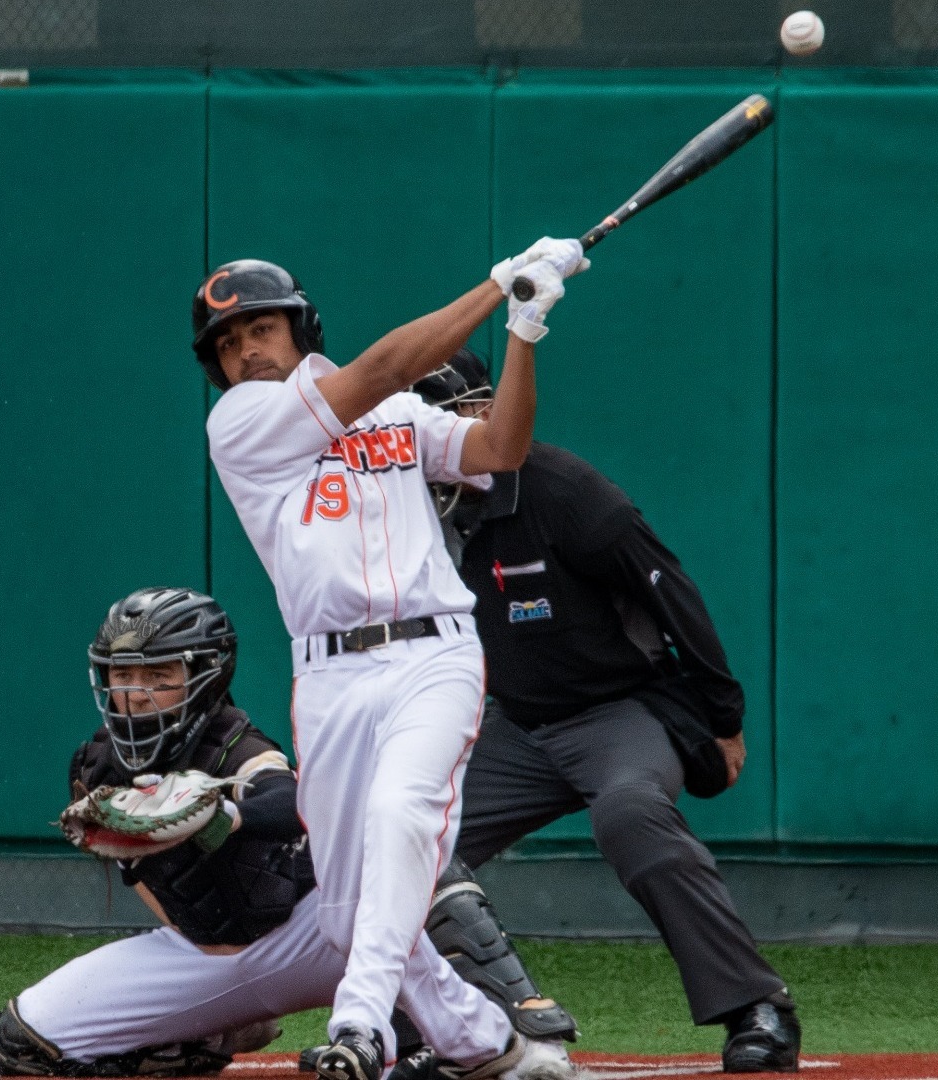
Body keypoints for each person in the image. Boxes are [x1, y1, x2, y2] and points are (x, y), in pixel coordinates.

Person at [198, 242, 587, 1080]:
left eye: (259, 329)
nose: (245, 352)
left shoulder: (395, 415)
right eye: (227, 345)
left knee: (401, 816)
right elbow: (376, 368)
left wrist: (523, 328)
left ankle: (362, 1026)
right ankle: (488, 1045)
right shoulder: (239, 422)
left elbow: (498, 450)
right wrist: (495, 282)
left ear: (299, 328)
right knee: (345, 908)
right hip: (330, 676)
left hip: (431, 655)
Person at [0, 588, 577, 1080]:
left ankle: (511, 1027)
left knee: (413, 871)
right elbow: (164, 901)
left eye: (158, 674)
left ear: (205, 675)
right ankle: (210, 1039)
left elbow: (292, 797)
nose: (135, 692)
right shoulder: (95, 771)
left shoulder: (233, 742)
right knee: (21, 1043)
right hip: (205, 957)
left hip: (316, 932)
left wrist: (223, 814)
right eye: (122, 675)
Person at [413, 350, 802, 1074]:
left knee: (628, 812)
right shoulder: (398, 512)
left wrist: (722, 715)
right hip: (511, 724)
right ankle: (419, 1031)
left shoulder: (560, 487)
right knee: (401, 838)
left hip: (615, 713)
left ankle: (756, 1007)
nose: (433, 436)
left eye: (450, 415)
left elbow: (669, 590)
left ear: (484, 412)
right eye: (415, 422)